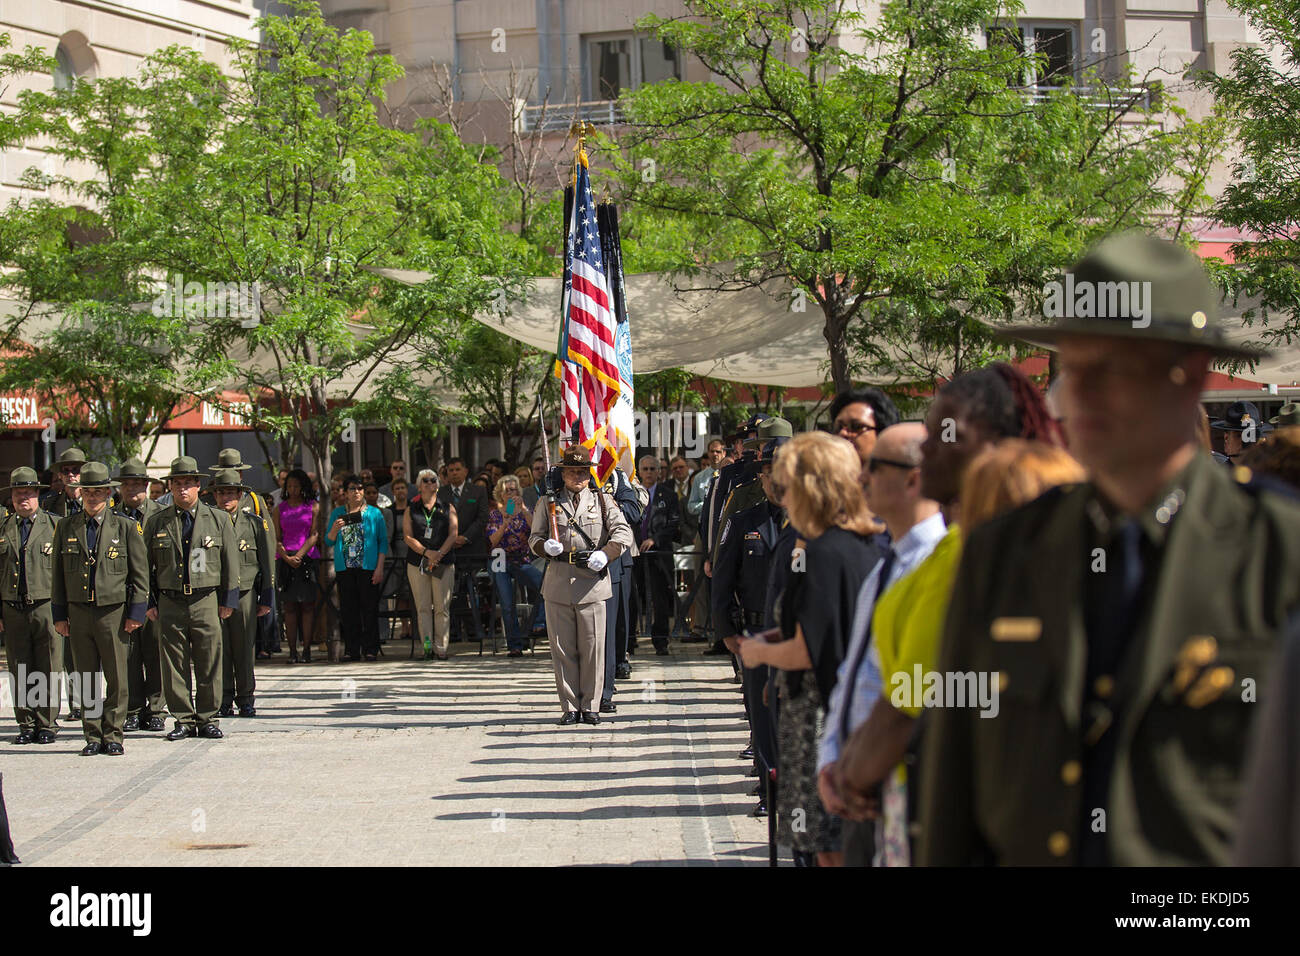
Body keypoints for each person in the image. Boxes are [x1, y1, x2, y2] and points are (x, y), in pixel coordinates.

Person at [920, 231, 1300, 866]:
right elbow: (953, 788)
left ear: (1191, 376)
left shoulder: (1278, 551)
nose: (1080, 395)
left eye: (1113, 368)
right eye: (1072, 367)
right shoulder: (1006, 551)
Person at [835, 434, 1079, 867]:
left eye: (965, 501)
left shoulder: (960, 574)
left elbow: (907, 703)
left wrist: (850, 776)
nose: (950, 510)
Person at [735, 432, 886, 866]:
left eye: (787, 485)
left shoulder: (824, 551)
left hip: (821, 718)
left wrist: (759, 655)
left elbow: (807, 650)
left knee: (826, 846)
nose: (781, 495)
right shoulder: (857, 543)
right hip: (833, 714)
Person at [816, 423, 946, 863]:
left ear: (913, 478)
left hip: (889, 787)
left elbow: (909, 696)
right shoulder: (886, 565)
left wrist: (853, 773)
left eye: (874, 466)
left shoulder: (936, 564)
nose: (861, 477)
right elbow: (853, 675)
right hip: (856, 781)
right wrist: (830, 759)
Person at [712, 435, 790, 816]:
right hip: (756, 633)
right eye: (767, 470)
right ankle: (768, 789)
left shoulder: (813, 524)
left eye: (782, 470)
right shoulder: (744, 521)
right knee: (762, 716)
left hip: (798, 635)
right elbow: (723, 578)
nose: (775, 477)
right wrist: (726, 628)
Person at [530, 446, 633, 726]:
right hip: (559, 580)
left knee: (593, 647)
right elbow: (534, 538)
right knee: (562, 649)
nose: (577, 476)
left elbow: (624, 531)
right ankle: (570, 706)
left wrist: (607, 553)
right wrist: (544, 547)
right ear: (562, 474)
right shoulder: (547, 503)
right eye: (572, 471)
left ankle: (591, 705)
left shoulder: (603, 501)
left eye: (582, 471)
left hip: (592, 583)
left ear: (590, 475)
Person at [51, 461, 149, 756]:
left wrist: (136, 613)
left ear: (109, 493)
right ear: (81, 493)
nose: (93, 497)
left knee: (118, 677)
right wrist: (59, 615)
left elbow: (140, 575)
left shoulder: (126, 527)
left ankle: (114, 733)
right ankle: (92, 735)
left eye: (99, 492)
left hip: (113, 613)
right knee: (86, 677)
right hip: (79, 612)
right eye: (88, 492)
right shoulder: (67, 527)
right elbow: (57, 575)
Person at [145, 456, 239, 741]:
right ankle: (184, 718)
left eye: (188, 483)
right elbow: (145, 566)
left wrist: (228, 600)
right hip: (170, 600)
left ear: (199, 486)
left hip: (205, 599)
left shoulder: (218, 519)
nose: (183, 489)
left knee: (209, 659)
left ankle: (208, 717)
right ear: (170, 487)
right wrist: (149, 601)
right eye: (177, 484)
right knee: (174, 663)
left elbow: (230, 563)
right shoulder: (157, 521)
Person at [1, 467, 62, 745]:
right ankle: (26, 723)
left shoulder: (55, 526)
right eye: (17, 492)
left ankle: (47, 722)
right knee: (20, 667)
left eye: (27, 492)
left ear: (38, 494)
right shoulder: (4, 528)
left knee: (48, 665)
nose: (22, 497)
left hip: (45, 605)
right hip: (12, 606)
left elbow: (64, 574)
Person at [211, 469, 274, 717]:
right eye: (220, 492)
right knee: (220, 648)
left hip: (245, 592)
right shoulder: (209, 521)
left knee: (244, 648)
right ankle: (224, 698)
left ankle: (246, 697)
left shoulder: (254, 523)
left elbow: (267, 560)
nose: (225, 497)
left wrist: (267, 596)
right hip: (215, 592)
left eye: (229, 492)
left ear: (240, 494)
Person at [113, 458, 167, 732]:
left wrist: (155, 597)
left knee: (155, 653)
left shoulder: (161, 514)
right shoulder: (112, 516)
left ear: (147, 485)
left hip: (156, 596)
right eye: (126, 484)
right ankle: (133, 708)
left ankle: (156, 708)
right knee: (129, 654)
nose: (132, 489)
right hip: (123, 595)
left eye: (137, 484)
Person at [41, 447, 86, 719]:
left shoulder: (103, 501)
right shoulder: (48, 505)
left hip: (90, 586)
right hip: (61, 585)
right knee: (65, 651)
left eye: (76, 470)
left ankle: (93, 704)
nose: (71, 475)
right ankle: (77, 704)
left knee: (89, 651)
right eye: (66, 471)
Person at [324, 476, 389, 662]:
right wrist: (334, 529)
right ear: (345, 492)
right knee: (348, 609)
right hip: (346, 568)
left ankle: (370, 649)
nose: (357, 492)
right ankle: (352, 649)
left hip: (367, 566)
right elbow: (328, 540)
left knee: (369, 609)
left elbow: (382, 542)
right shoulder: (338, 513)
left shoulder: (374, 513)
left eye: (360, 488)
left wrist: (379, 567)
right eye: (352, 488)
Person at [601, 465, 645, 709]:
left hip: (617, 556)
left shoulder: (616, 476)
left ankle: (617, 663)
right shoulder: (561, 476)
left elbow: (633, 510)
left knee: (617, 619)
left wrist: (607, 505)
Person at [486, 474, 543, 657]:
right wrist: (505, 523)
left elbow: (536, 531)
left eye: (514, 490)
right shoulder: (495, 514)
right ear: (500, 494)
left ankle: (533, 626)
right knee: (507, 603)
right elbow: (492, 542)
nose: (512, 493)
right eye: (507, 490)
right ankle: (515, 644)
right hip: (500, 560)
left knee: (545, 585)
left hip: (521, 560)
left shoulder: (526, 510)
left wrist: (524, 510)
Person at [404, 469, 458, 660]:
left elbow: (453, 534)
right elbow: (408, 537)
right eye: (424, 480)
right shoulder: (412, 508)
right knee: (423, 607)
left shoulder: (447, 506)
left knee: (442, 607)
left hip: (443, 562)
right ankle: (426, 647)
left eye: (432, 480)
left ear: (438, 484)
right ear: (419, 486)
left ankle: (441, 648)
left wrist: (439, 554)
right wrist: (428, 553)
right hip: (418, 561)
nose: (429, 483)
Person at [634, 455, 680, 655]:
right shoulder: (632, 494)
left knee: (660, 600)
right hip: (635, 554)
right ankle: (629, 641)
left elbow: (673, 523)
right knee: (633, 597)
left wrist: (655, 539)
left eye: (653, 468)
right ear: (639, 471)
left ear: (659, 472)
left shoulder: (668, 495)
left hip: (658, 555)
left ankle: (661, 641)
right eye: (645, 469)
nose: (649, 472)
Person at [274, 469, 320, 664]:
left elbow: (314, 534)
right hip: (285, 558)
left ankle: (307, 649)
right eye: (289, 486)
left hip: (306, 557)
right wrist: (286, 557)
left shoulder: (313, 507)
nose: (292, 489)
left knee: (308, 606)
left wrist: (299, 556)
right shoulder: (279, 509)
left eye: (296, 486)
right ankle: (292, 651)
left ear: (303, 487)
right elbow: (276, 538)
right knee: (289, 607)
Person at [828, 387, 901, 487]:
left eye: (856, 427)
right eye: (839, 427)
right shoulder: (822, 491)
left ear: (883, 434)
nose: (843, 433)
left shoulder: (900, 493)